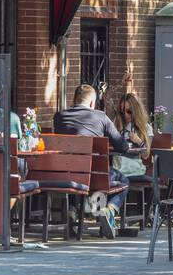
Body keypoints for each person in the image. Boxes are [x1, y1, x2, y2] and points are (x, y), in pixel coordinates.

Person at [53, 84, 133, 238]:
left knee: (78, 171)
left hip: (66, 174)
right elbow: (122, 146)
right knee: (123, 181)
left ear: (73, 100)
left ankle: (72, 210)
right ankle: (108, 210)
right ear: (92, 103)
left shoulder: (59, 117)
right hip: (95, 175)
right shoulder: (101, 117)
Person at [112, 92, 153, 178]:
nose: (125, 115)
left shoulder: (145, 128)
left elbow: (146, 155)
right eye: (122, 111)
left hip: (133, 167)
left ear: (136, 111)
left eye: (129, 111)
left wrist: (138, 141)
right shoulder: (117, 123)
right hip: (117, 164)